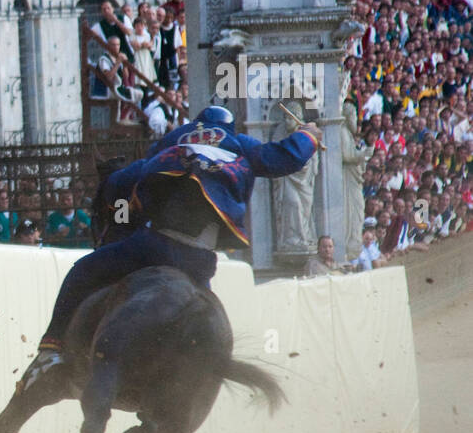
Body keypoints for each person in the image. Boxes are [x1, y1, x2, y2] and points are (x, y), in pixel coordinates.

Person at [31, 105, 322, 371]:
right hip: (200, 262)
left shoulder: (175, 138)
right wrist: (307, 136)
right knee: (205, 320)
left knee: (83, 270)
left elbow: (127, 179)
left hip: (154, 247)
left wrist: (114, 187)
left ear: (197, 124)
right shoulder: (241, 145)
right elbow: (284, 158)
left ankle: (51, 347)